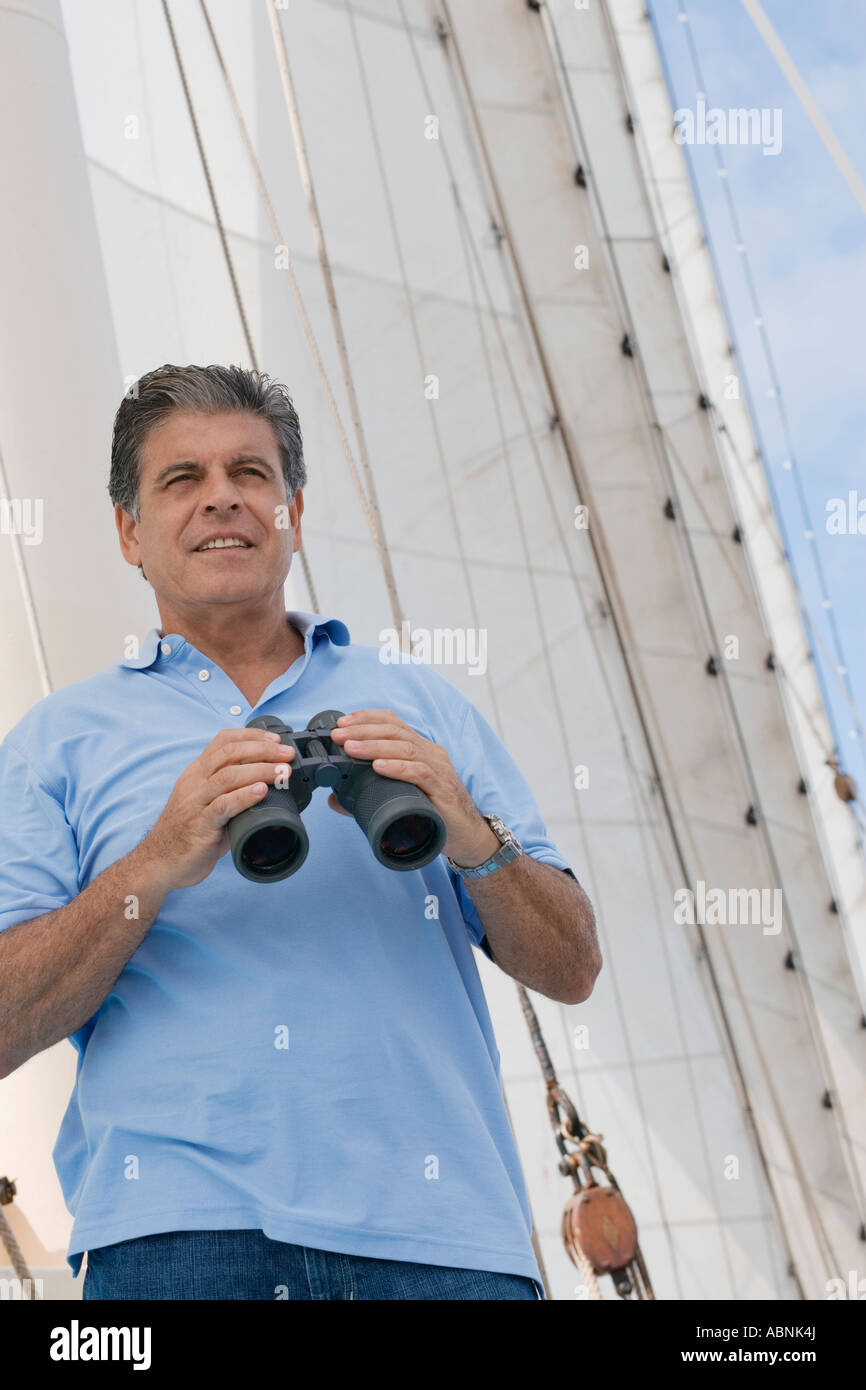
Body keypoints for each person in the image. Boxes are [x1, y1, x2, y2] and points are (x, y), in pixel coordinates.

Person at [0, 364, 601, 1301]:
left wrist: (465, 827)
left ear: (293, 511)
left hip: (445, 1241)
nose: (223, 499)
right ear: (129, 531)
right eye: (182, 480)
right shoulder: (57, 743)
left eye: (251, 473)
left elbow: (573, 966)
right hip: (176, 1240)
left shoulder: (419, 701)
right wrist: (158, 861)